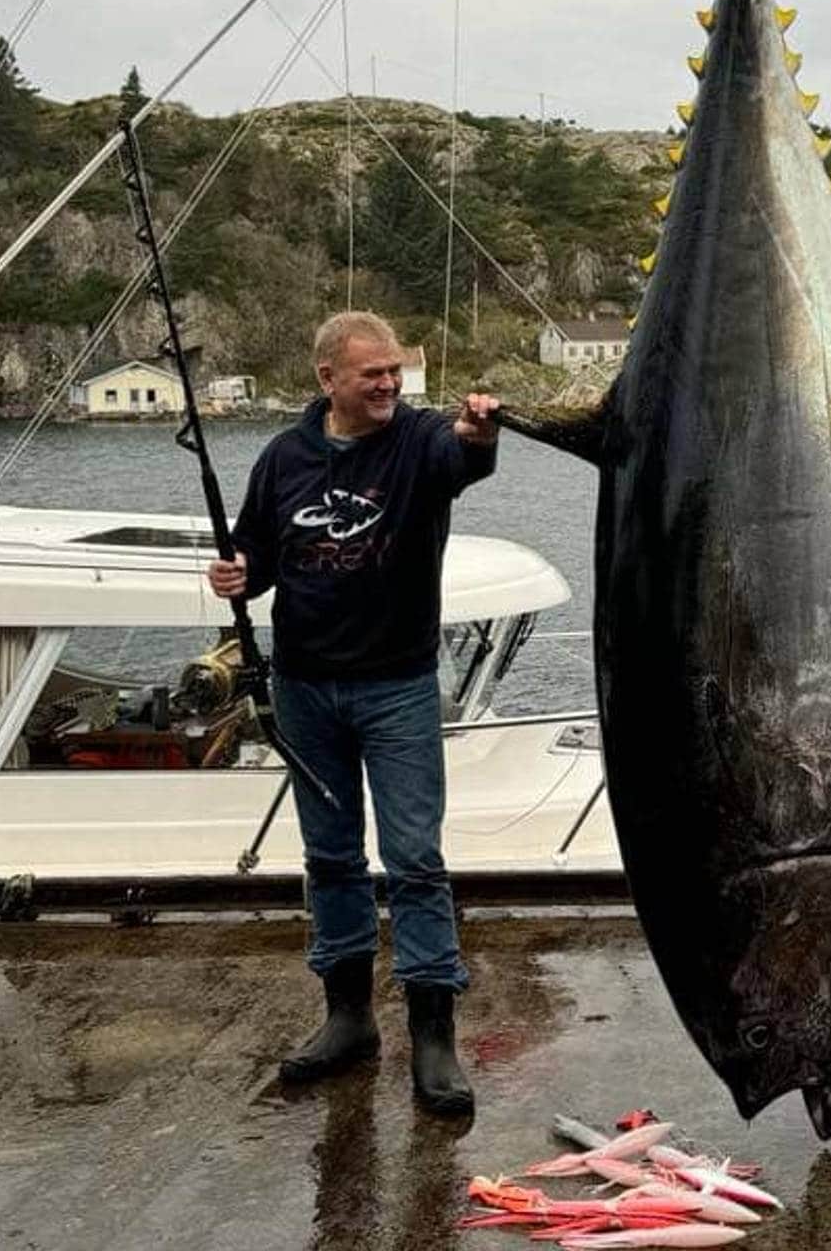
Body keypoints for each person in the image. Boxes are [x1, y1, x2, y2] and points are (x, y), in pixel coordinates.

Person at [209, 310, 499, 1116]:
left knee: (413, 858)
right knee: (330, 857)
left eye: (395, 370)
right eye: (371, 373)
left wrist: (476, 431)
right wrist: (234, 577)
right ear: (327, 379)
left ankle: (434, 1034)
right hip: (305, 687)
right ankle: (347, 1020)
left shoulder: (419, 443)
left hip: (397, 685)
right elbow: (258, 558)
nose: (388, 383)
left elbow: (463, 459)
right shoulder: (283, 459)